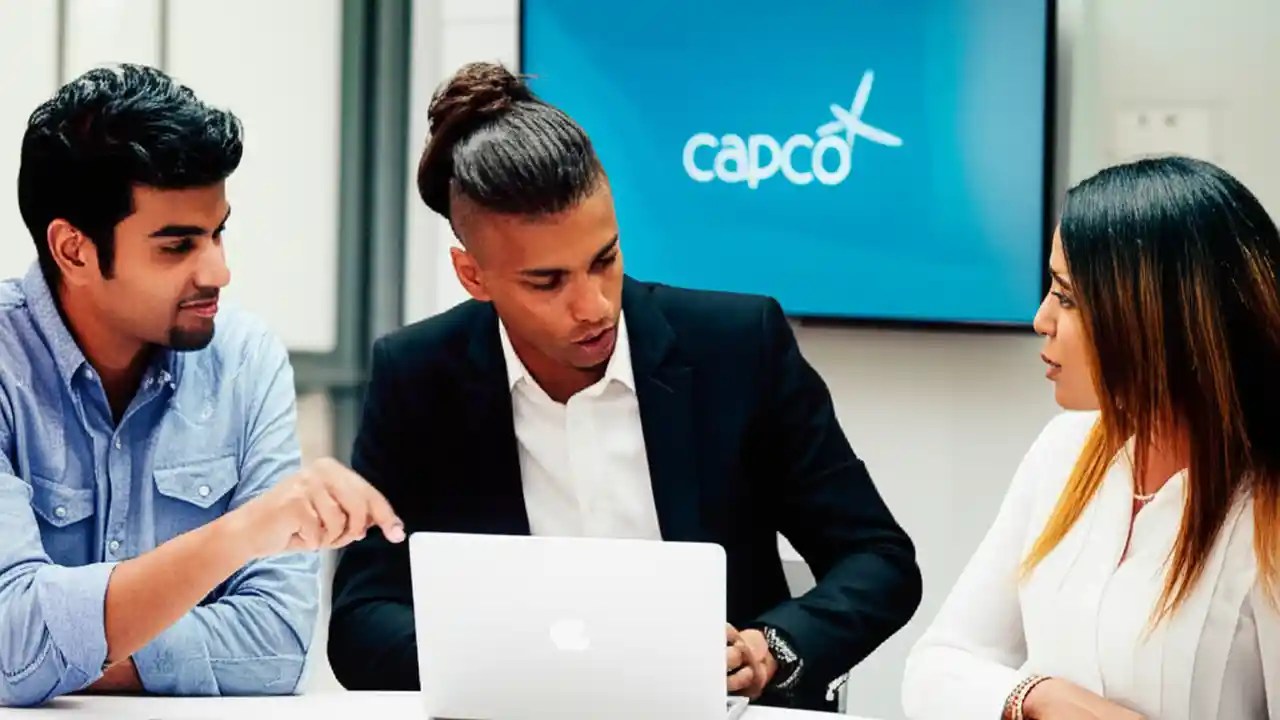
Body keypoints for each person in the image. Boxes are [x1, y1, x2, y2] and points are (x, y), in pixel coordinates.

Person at [327, 62, 921, 712]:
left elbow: (878, 559)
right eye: (547, 282)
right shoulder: (418, 376)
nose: (594, 307)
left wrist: (769, 649)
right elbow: (360, 621)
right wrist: (502, 658)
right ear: (473, 276)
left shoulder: (737, 345)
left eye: (605, 259)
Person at [0, 64, 403, 707]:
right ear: (73, 251)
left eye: (217, 233)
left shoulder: (246, 359)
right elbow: (7, 645)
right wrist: (243, 533)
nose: (219, 270)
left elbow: (277, 646)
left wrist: (60, 649)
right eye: (176, 246)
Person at [901, 156, 1280, 720]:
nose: (1041, 319)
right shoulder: (1064, 451)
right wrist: (1039, 698)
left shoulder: (1264, 502)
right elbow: (937, 667)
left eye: (1067, 296)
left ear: (1157, 317)